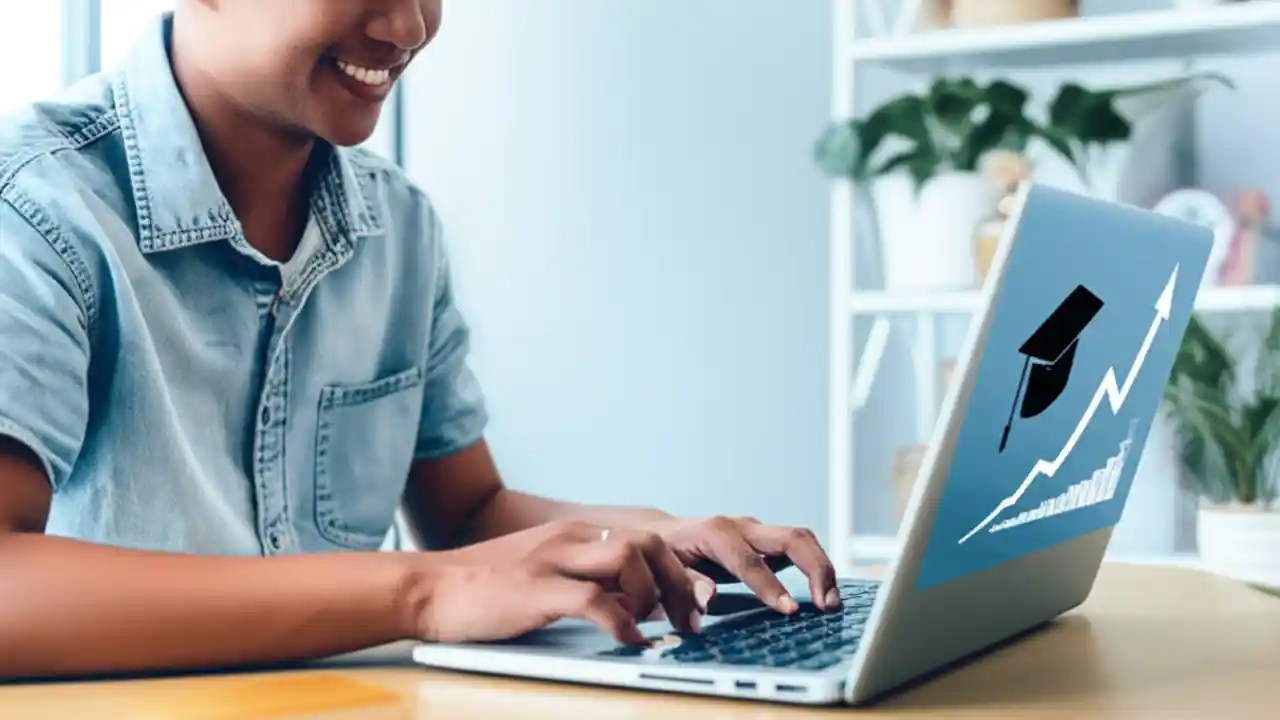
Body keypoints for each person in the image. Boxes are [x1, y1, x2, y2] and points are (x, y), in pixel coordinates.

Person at [0, 1, 837, 678]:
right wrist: (422, 593)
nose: (408, 27)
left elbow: (467, 514)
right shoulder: (34, 208)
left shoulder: (398, 225)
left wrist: (649, 538)